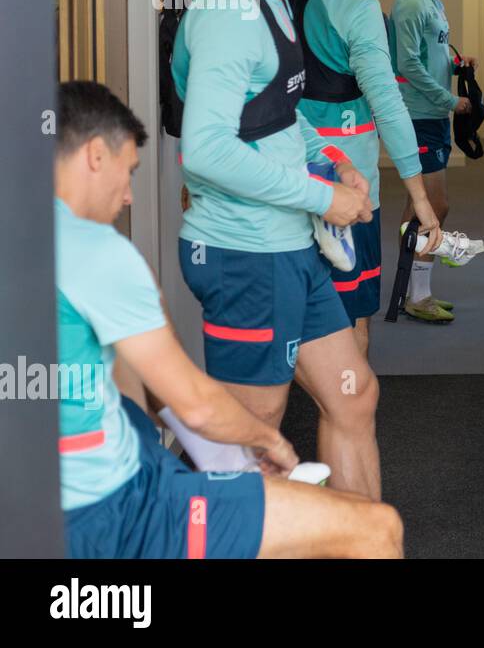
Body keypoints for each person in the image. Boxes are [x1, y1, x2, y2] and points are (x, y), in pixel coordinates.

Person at [55, 81, 402, 558]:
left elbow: (160, 391)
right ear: (95, 154)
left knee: (130, 373)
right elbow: (195, 406)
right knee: (377, 529)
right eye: (127, 172)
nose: (130, 196)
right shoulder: (99, 253)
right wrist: (270, 445)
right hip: (114, 512)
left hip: (75, 487)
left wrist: (228, 457)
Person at [173, 0, 383, 500]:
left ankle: (361, 541)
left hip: (290, 245)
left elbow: (275, 116)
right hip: (244, 254)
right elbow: (206, 151)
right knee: (252, 434)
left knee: (354, 396)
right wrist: (327, 197)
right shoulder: (229, 7)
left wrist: (332, 157)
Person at [293, 0, 441, 355]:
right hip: (348, 188)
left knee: (296, 316)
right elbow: (387, 103)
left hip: (282, 178)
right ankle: (349, 418)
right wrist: (418, 196)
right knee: (352, 320)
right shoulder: (357, 8)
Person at [389, 0, 470, 323]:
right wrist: (449, 100)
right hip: (419, 115)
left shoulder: (432, 0)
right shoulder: (410, 2)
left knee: (416, 208)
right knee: (434, 206)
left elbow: (429, 56)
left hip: (433, 114)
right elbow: (406, 65)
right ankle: (416, 295)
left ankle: (411, 292)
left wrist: (456, 66)